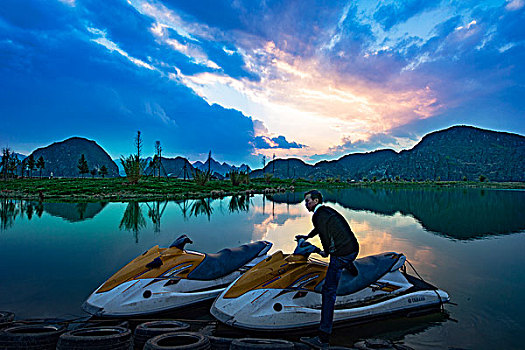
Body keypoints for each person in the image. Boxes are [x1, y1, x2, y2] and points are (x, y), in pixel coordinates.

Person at [299, 189, 359, 349]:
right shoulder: (325, 212)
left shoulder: (318, 215)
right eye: (305, 201)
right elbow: (319, 229)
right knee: (339, 258)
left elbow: (325, 236)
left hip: (342, 253)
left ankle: (323, 338)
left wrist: (325, 252)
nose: (306, 204)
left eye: (308, 201)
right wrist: (307, 237)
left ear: (316, 201)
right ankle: (349, 265)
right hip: (353, 248)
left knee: (328, 291)